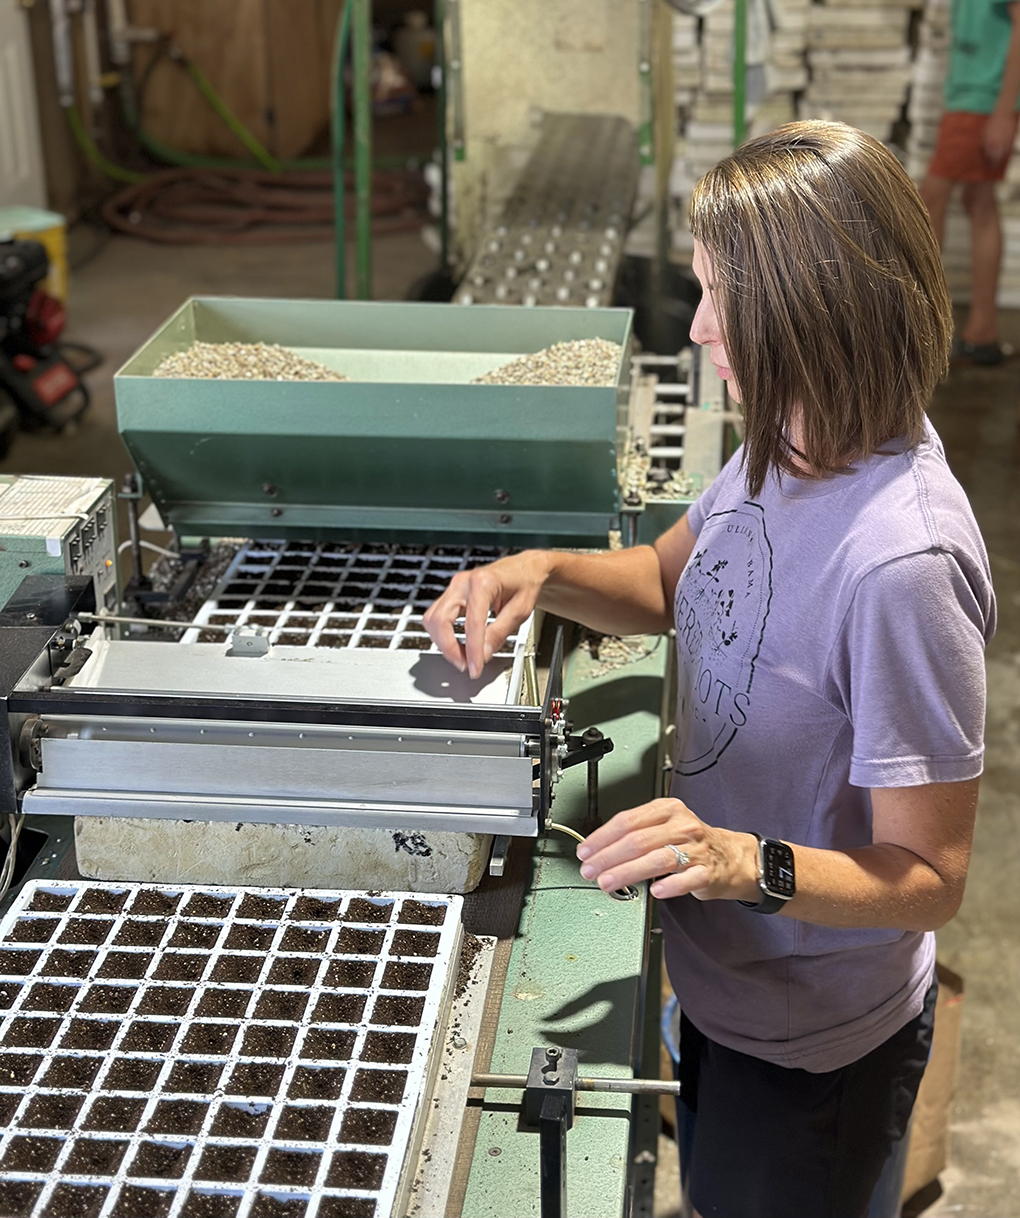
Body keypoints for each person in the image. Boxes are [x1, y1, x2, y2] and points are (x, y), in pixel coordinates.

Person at [425, 120, 995, 1218]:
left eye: (722, 300)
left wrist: (745, 861)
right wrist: (544, 574)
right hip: (727, 988)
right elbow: (669, 578)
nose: (696, 331)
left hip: (815, 1053)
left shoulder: (901, 565)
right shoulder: (788, 435)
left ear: (809, 314)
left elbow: (933, 883)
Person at [919, 0, 1020, 365]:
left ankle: (917, 322)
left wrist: (1004, 113)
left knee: (928, 202)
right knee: (978, 204)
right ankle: (982, 332)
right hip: (970, 98)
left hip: (979, 102)